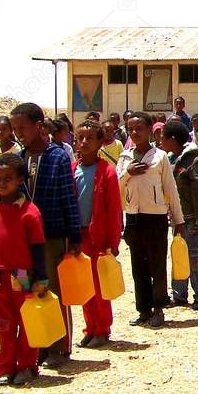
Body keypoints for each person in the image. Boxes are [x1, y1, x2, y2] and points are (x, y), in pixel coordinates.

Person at [10, 102, 82, 366]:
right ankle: (39, 343)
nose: (18, 133)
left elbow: (68, 198)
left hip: (53, 233)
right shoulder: (20, 158)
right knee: (32, 289)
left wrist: (74, 236)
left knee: (55, 290)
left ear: (39, 127)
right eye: (15, 129)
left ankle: (59, 347)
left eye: (23, 128)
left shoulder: (58, 157)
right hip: (27, 237)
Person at [0, 152, 48, 386]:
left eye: (8, 178)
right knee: (4, 323)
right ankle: (5, 366)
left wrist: (41, 279)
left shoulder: (29, 212)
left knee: (26, 320)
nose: (2, 183)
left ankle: (26, 365)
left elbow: (37, 248)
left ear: (20, 180)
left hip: (22, 274)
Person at [117, 112, 184, 328]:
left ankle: (158, 307)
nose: (135, 133)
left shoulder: (160, 157)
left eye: (139, 128)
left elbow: (170, 189)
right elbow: (116, 188)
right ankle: (143, 309)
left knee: (157, 264)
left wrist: (178, 219)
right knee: (138, 267)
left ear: (149, 131)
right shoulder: (125, 157)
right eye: (131, 129)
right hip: (133, 218)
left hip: (155, 217)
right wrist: (127, 173)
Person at [72, 121, 122, 346]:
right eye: (80, 137)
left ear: (100, 142)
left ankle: (102, 328)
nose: (84, 142)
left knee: (100, 285)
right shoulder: (73, 169)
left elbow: (114, 209)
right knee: (83, 285)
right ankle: (89, 327)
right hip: (78, 237)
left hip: (98, 238)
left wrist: (113, 241)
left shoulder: (107, 172)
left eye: (89, 138)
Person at [159, 120, 198, 309]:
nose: (160, 141)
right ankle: (179, 294)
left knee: (195, 258)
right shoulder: (173, 159)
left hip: (192, 219)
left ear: (172, 139)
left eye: (163, 137)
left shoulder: (193, 161)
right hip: (179, 218)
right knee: (179, 255)